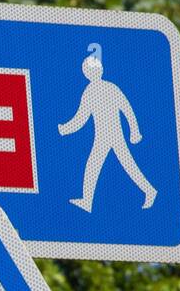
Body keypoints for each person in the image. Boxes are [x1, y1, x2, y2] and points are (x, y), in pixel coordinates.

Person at [58, 51, 156, 212]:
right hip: (106, 136)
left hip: (110, 135)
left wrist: (64, 129)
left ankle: (149, 191)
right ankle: (87, 201)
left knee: (122, 165)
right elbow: (82, 117)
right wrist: (134, 130)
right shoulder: (104, 88)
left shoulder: (97, 90)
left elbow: (82, 118)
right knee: (99, 165)